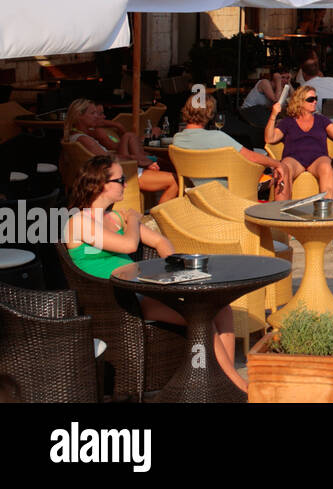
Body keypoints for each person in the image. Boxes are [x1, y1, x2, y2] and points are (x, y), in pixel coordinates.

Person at [64, 155, 246, 392]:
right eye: (120, 180)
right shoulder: (79, 221)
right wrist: (133, 220)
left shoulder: (117, 217)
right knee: (201, 314)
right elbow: (129, 246)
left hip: (141, 290)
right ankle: (236, 385)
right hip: (120, 301)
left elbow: (160, 241)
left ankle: (221, 382)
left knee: (222, 308)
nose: (126, 184)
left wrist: (174, 271)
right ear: (101, 185)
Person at [63, 100, 178, 203]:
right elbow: (108, 160)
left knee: (132, 139)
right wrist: (138, 160)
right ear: (79, 116)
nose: (97, 117)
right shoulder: (83, 139)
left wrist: (139, 160)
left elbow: (108, 157)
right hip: (122, 174)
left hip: (119, 171)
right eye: (92, 113)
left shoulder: (78, 137)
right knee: (175, 180)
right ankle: (159, 219)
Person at [174, 92, 286, 188]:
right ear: (210, 113)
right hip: (225, 191)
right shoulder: (216, 137)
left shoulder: (177, 139)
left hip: (194, 191)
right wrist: (277, 164)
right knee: (268, 178)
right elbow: (251, 157)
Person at [264, 86, 333, 200]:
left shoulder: (321, 119)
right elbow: (269, 138)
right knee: (284, 168)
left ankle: (327, 210)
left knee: (326, 167)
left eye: (315, 98)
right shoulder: (288, 121)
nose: (315, 101)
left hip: (318, 158)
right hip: (294, 158)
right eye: (310, 99)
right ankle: (280, 212)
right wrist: (273, 114)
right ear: (300, 101)